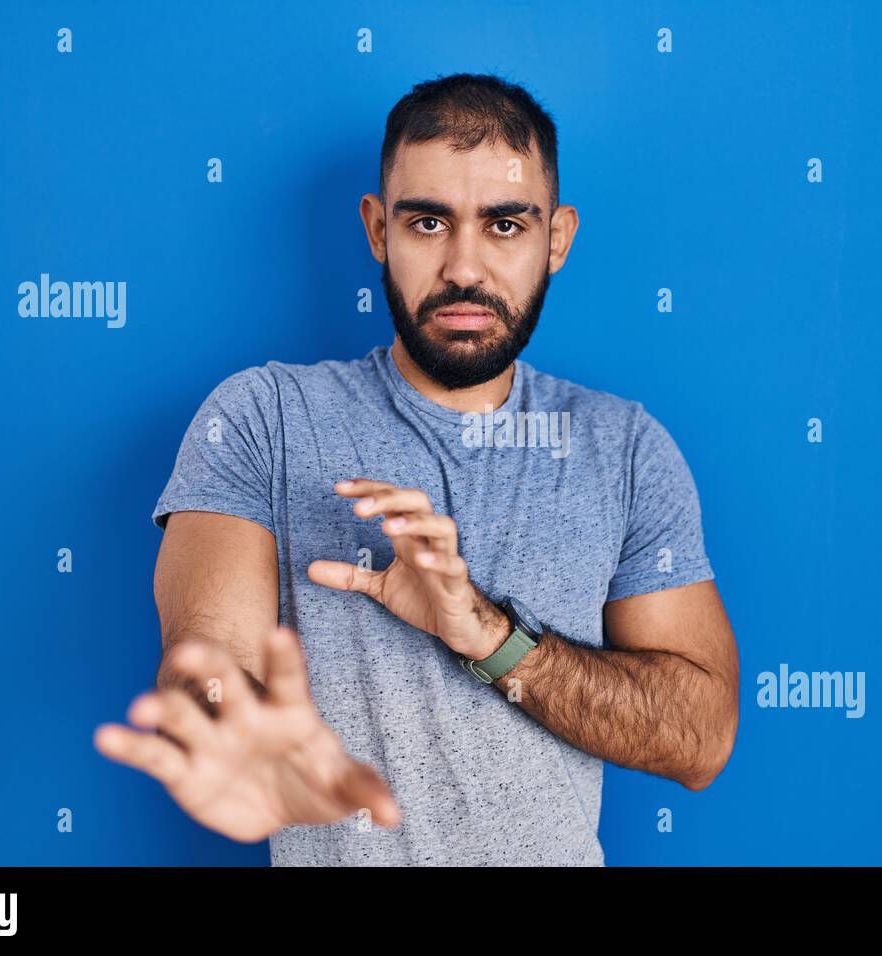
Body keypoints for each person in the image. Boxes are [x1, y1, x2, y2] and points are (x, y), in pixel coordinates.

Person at [94, 72, 739, 866]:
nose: (464, 268)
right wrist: (233, 731)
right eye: (429, 221)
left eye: (505, 225)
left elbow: (700, 738)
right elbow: (209, 655)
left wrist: (488, 636)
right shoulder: (265, 417)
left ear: (558, 238)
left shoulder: (625, 448)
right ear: (377, 229)